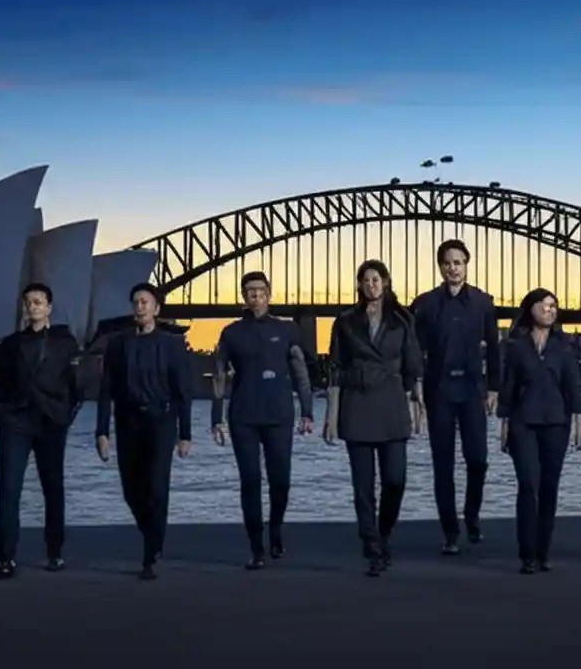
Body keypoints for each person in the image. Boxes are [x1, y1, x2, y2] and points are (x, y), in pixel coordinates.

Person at [323, 259, 424, 577]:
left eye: (376, 279)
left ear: (386, 282)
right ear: (359, 285)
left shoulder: (402, 319)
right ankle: (372, 545)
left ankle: (384, 532)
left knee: (396, 479)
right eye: (365, 280)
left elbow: (413, 364)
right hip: (357, 402)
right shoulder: (345, 322)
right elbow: (335, 368)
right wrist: (331, 415)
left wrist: (418, 402)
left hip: (392, 402)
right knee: (363, 486)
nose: (371, 285)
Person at [210, 271, 315, 570]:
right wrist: (216, 418)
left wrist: (307, 411)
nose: (255, 296)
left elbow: (300, 372)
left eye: (260, 290)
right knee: (250, 481)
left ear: (269, 293)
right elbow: (219, 375)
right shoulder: (231, 333)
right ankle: (256, 547)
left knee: (280, 481)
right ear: (243, 296)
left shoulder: (287, 329)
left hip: (279, 414)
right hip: (243, 416)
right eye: (250, 291)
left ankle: (276, 528)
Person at [95, 282, 193, 581]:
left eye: (145, 302)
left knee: (157, 487)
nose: (140, 307)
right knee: (131, 490)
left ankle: (151, 553)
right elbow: (105, 390)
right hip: (128, 421)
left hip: (161, 421)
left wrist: (185, 433)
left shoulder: (171, 344)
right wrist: (102, 431)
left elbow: (183, 392)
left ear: (156, 308)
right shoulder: (118, 344)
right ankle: (151, 532)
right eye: (136, 302)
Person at [408, 238, 501, 555]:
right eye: (447, 263)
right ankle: (450, 531)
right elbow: (413, 349)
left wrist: (494, 388)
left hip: (473, 391)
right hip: (439, 392)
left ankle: (472, 515)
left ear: (466, 265)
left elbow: (494, 347)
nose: (453, 268)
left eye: (458, 262)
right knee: (443, 464)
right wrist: (415, 386)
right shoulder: (426, 303)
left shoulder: (483, 303)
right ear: (440, 267)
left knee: (478, 460)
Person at [0, 282, 86, 579]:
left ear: (49, 308)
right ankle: (6, 558)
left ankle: (55, 552)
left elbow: (76, 385)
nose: (32, 307)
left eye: (38, 302)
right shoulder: (10, 344)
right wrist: (1, 414)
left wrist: (65, 416)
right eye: (28, 302)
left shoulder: (65, 342)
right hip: (16, 422)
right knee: (9, 489)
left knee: (53, 488)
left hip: (51, 422)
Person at [496, 288, 581, 574]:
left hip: (556, 423)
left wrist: (577, 420)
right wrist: (504, 422)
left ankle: (542, 551)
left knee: (549, 487)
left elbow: (573, 385)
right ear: (530, 309)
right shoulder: (515, 345)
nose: (550, 310)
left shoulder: (564, 345)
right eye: (544, 305)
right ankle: (526, 554)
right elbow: (508, 386)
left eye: (553, 306)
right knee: (528, 484)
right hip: (523, 421)